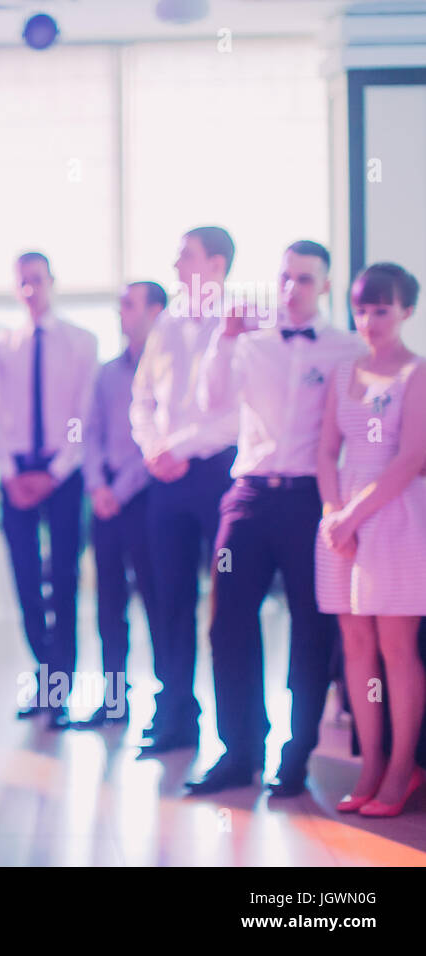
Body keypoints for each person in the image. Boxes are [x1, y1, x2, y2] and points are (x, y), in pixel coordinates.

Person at [193, 241, 364, 796]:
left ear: (327, 285)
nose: (293, 290)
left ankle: (296, 756)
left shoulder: (348, 348)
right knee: (226, 623)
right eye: (286, 278)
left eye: (306, 280)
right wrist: (225, 337)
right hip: (247, 496)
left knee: (311, 628)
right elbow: (208, 401)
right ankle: (239, 751)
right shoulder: (251, 345)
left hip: (311, 499)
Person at [316, 262, 426, 818]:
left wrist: (353, 516)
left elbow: (411, 459)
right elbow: (324, 451)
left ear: (407, 310)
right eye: (362, 308)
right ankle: (372, 763)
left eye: (382, 308)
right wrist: (336, 515)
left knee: (396, 648)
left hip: (395, 516)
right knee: (356, 646)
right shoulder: (343, 372)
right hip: (343, 523)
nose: (370, 319)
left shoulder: (418, 372)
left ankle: (404, 769)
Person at [130, 226, 239, 756]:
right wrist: (155, 448)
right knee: (167, 598)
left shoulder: (240, 322)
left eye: (186, 257)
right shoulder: (167, 323)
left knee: (226, 605)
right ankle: (176, 718)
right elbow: (141, 398)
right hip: (165, 478)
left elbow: (239, 413)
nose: (176, 267)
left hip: (218, 474)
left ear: (217, 265)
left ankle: (234, 736)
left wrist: (181, 447)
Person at [0, 252, 99, 727]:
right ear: (16, 288)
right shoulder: (3, 346)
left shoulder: (80, 342)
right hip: (15, 475)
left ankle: (61, 689)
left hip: (64, 474)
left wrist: (54, 473)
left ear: (52, 282)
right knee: (26, 581)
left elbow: (83, 413)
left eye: (38, 280)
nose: (31, 289)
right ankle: (44, 675)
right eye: (23, 282)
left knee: (65, 581)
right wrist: (12, 474)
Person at [79, 281, 163, 727]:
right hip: (105, 500)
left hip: (145, 499)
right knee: (108, 607)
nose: (120, 313)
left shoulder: (167, 372)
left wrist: (120, 490)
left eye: (128, 305)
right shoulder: (107, 372)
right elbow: (88, 432)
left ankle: (168, 710)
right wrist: (97, 487)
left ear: (155, 311)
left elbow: (160, 440)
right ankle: (115, 701)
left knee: (156, 602)